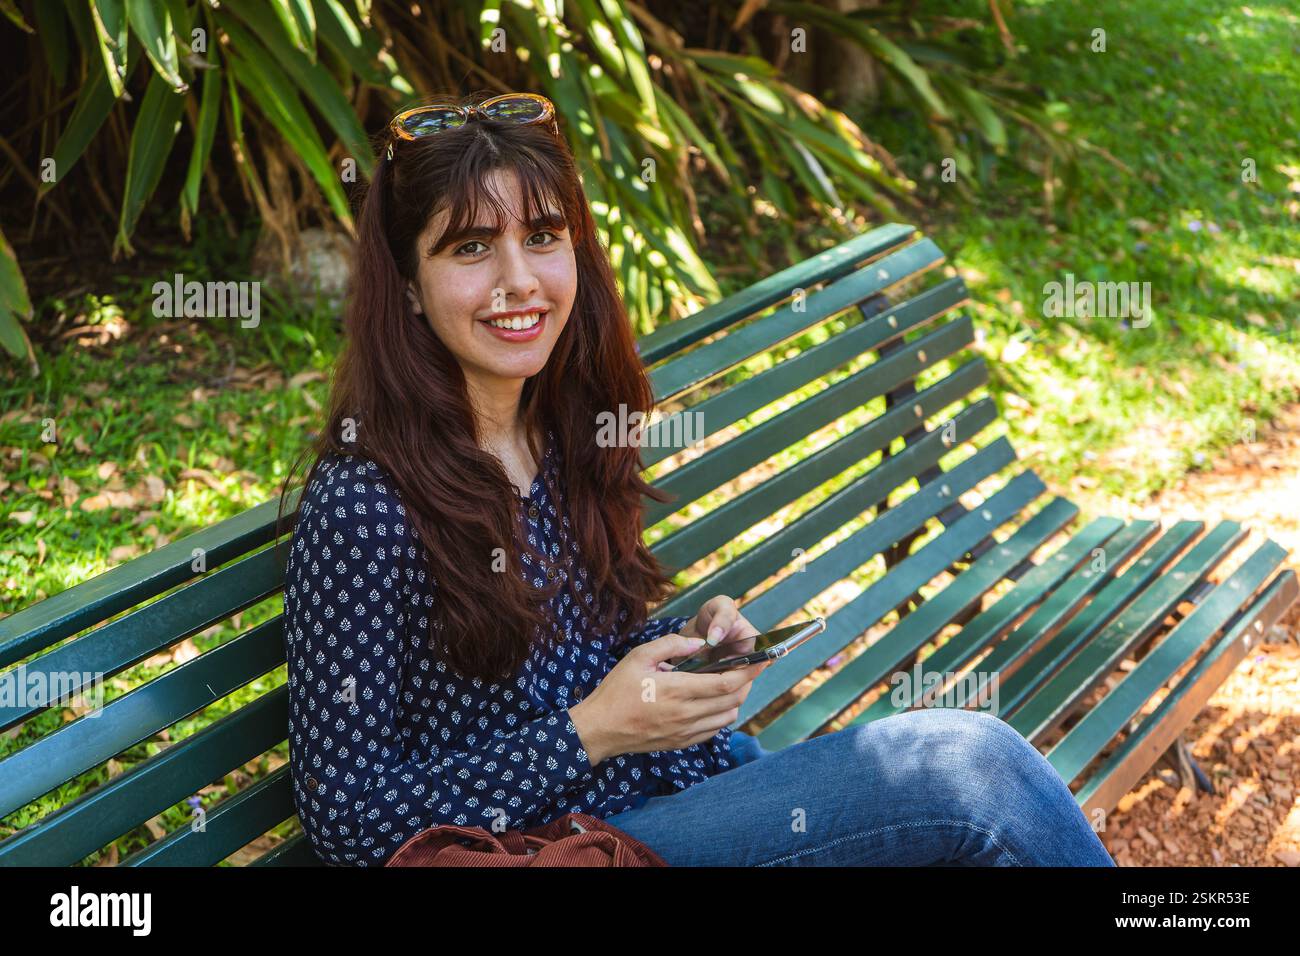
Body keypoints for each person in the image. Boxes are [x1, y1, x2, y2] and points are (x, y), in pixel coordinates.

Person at [277, 92, 1115, 868]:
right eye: (470, 248)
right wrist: (590, 735)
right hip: (581, 846)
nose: (519, 280)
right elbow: (344, 817)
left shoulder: (559, 432)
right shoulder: (364, 506)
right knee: (968, 770)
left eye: (541, 236)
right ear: (411, 289)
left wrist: (684, 649)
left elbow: (570, 664)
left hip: (674, 787)